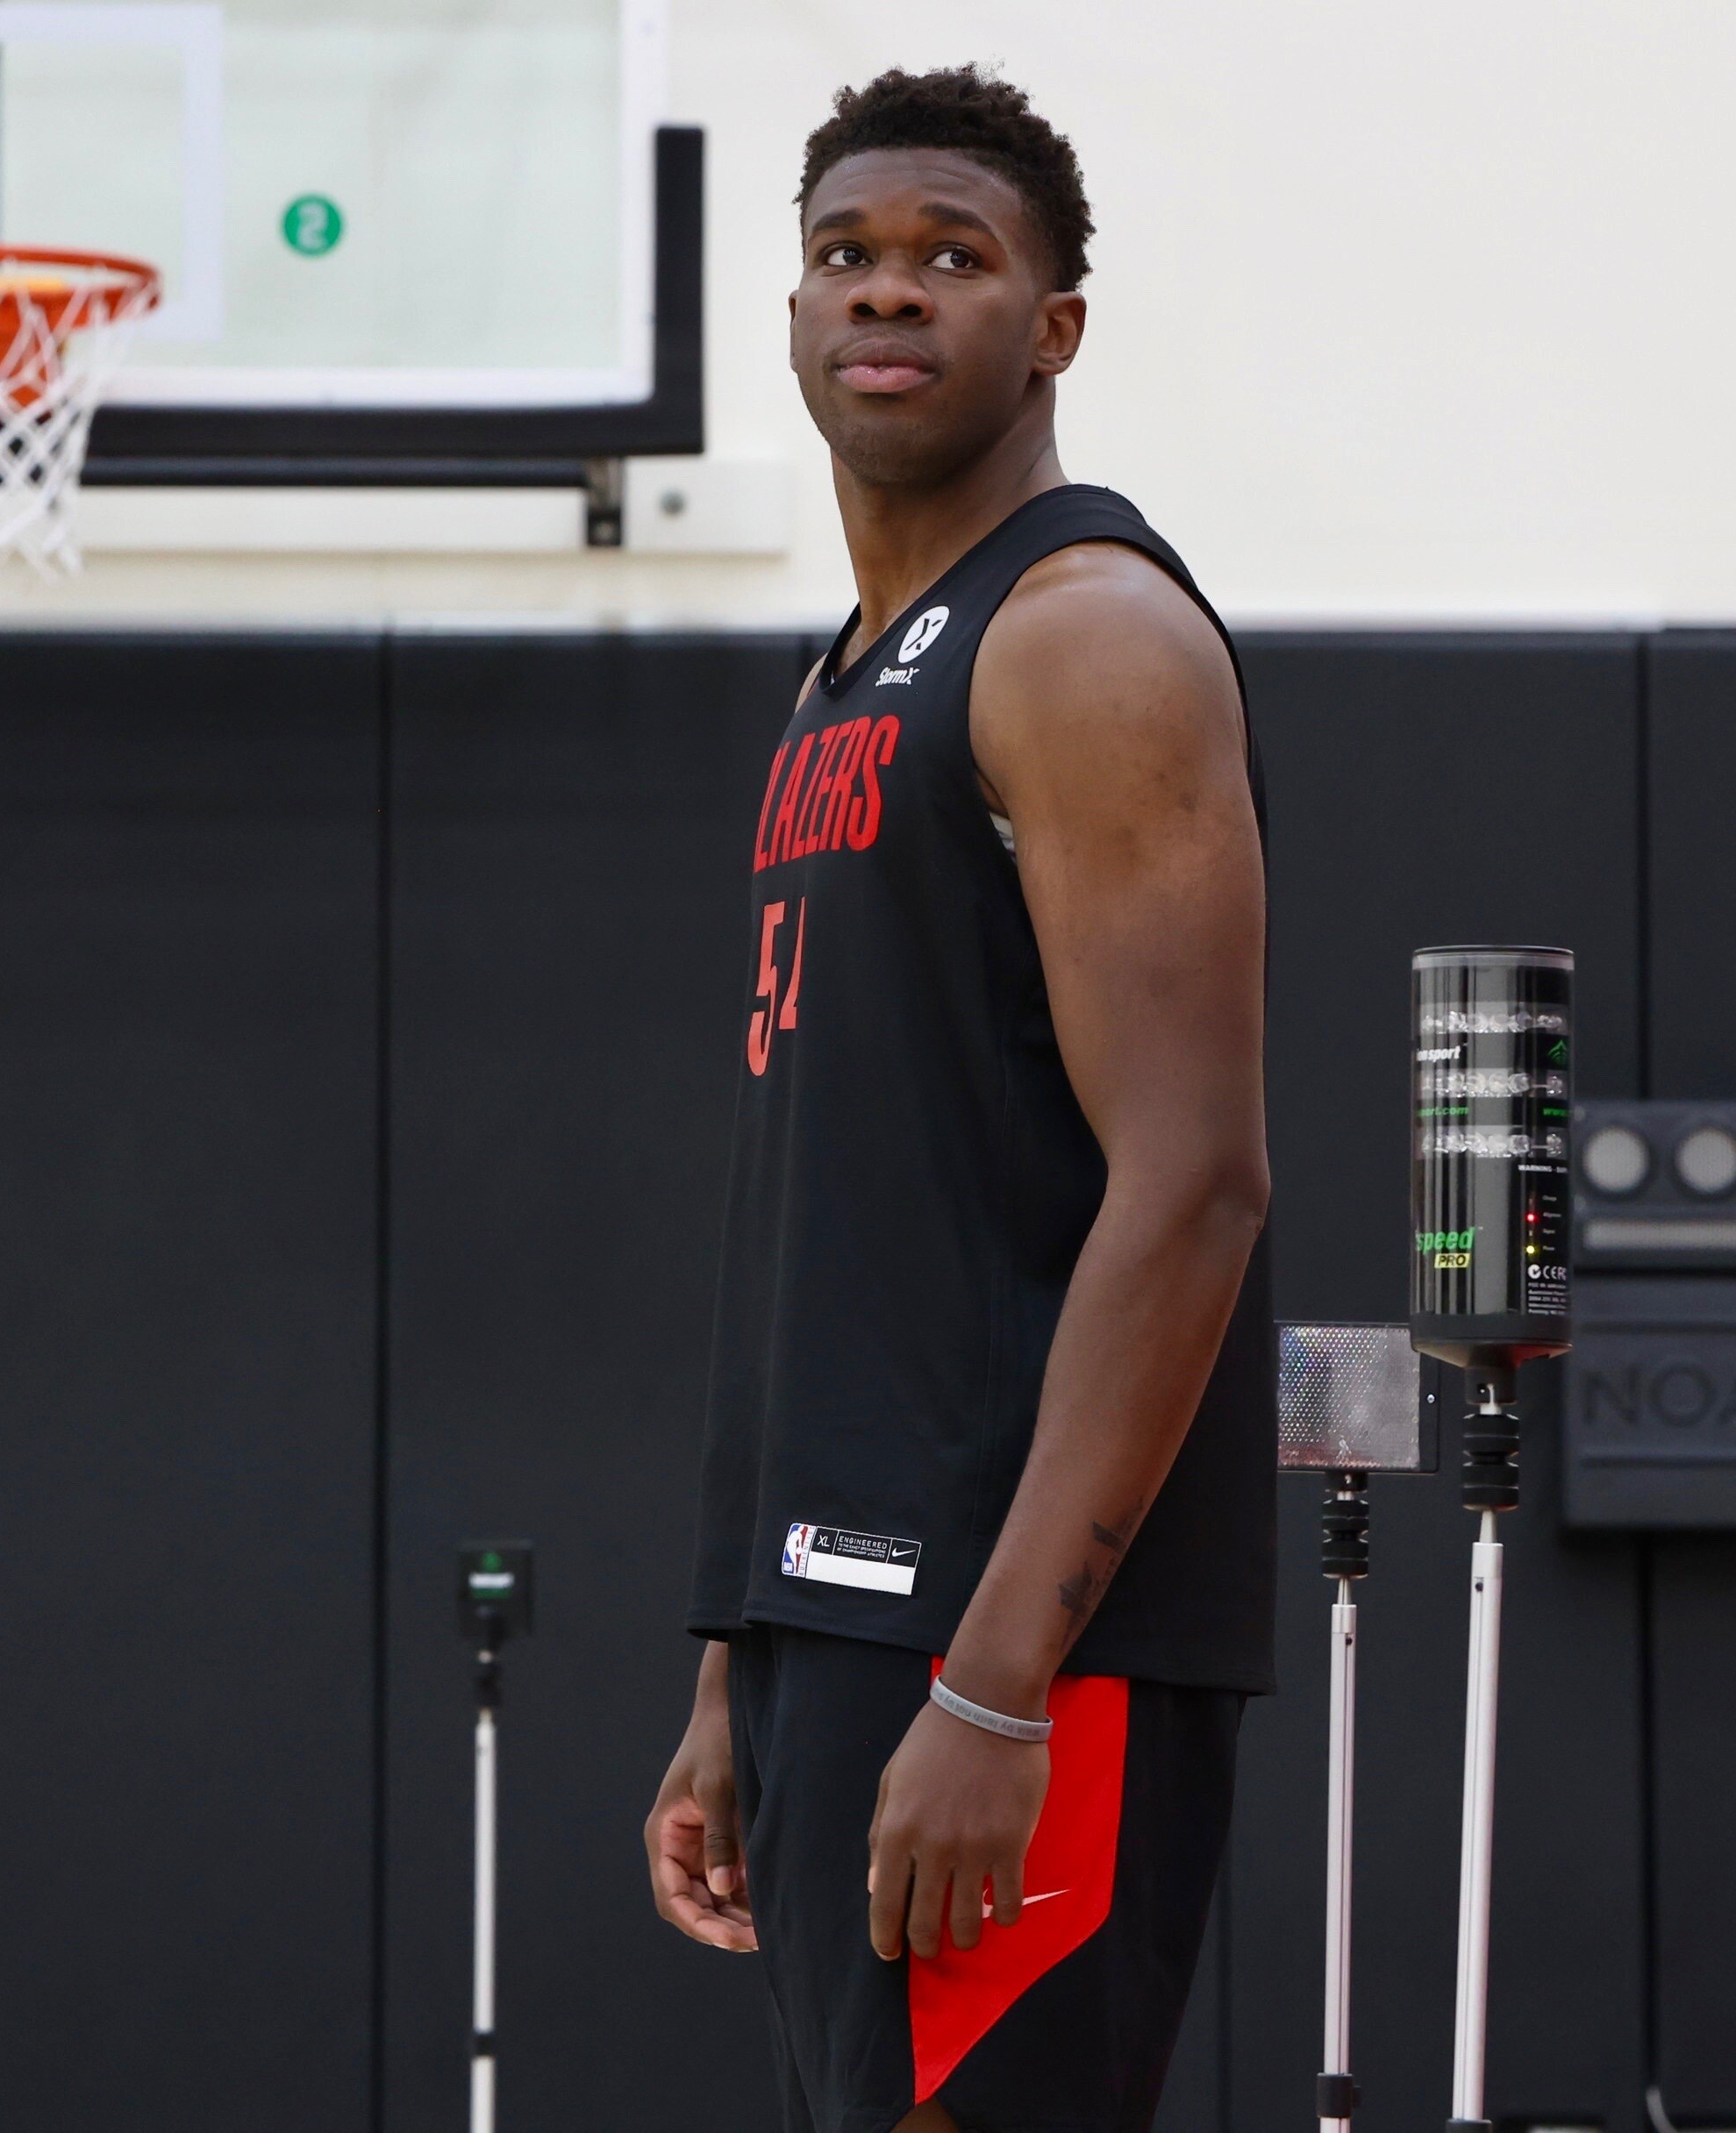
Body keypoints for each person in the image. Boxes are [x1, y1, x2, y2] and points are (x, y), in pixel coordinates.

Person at [643, 65, 1275, 2133]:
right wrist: (739, 1660)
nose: (886, 296)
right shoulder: (853, 671)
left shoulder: (1086, 637)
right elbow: (835, 1223)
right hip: (848, 1628)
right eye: (845, 257)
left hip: (1018, 1648)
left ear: (1055, 328)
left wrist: (997, 1679)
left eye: (951, 259)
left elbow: (1192, 1185)